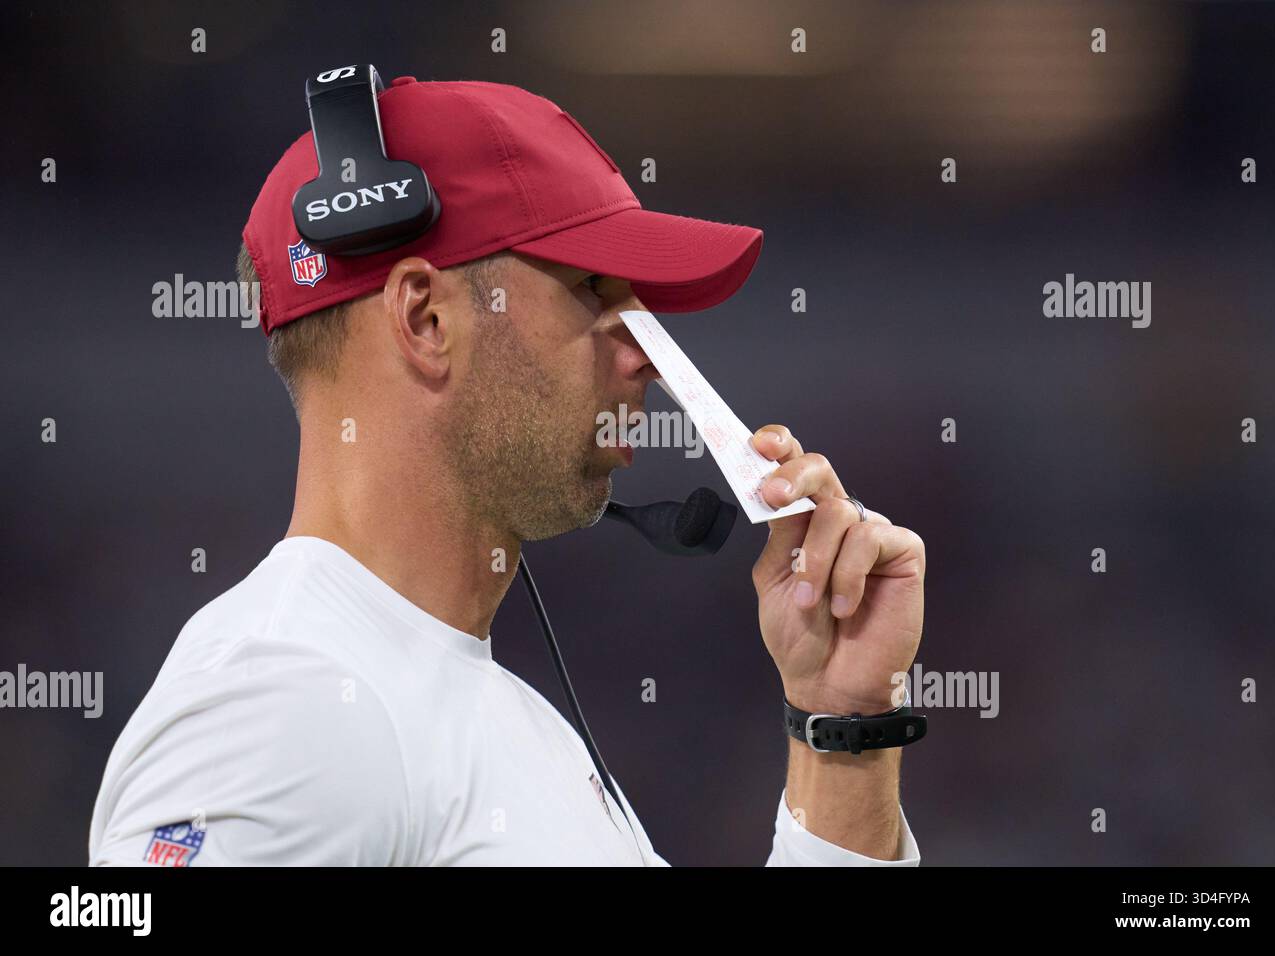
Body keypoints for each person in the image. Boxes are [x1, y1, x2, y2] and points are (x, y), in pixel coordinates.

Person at [89, 77, 925, 866]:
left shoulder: (483, 714)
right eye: (596, 293)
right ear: (425, 319)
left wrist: (842, 724)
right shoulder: (285, 705)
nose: (647, 357)